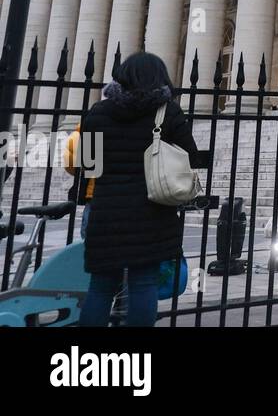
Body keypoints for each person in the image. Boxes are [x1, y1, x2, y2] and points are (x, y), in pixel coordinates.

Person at [79, 52, 199, 327]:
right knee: (143, 285)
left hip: (106, 211)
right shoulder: (166, 111)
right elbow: (190, 155)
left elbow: (88, 166)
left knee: (100, 288)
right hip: (151, 211)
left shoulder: (98, 113)